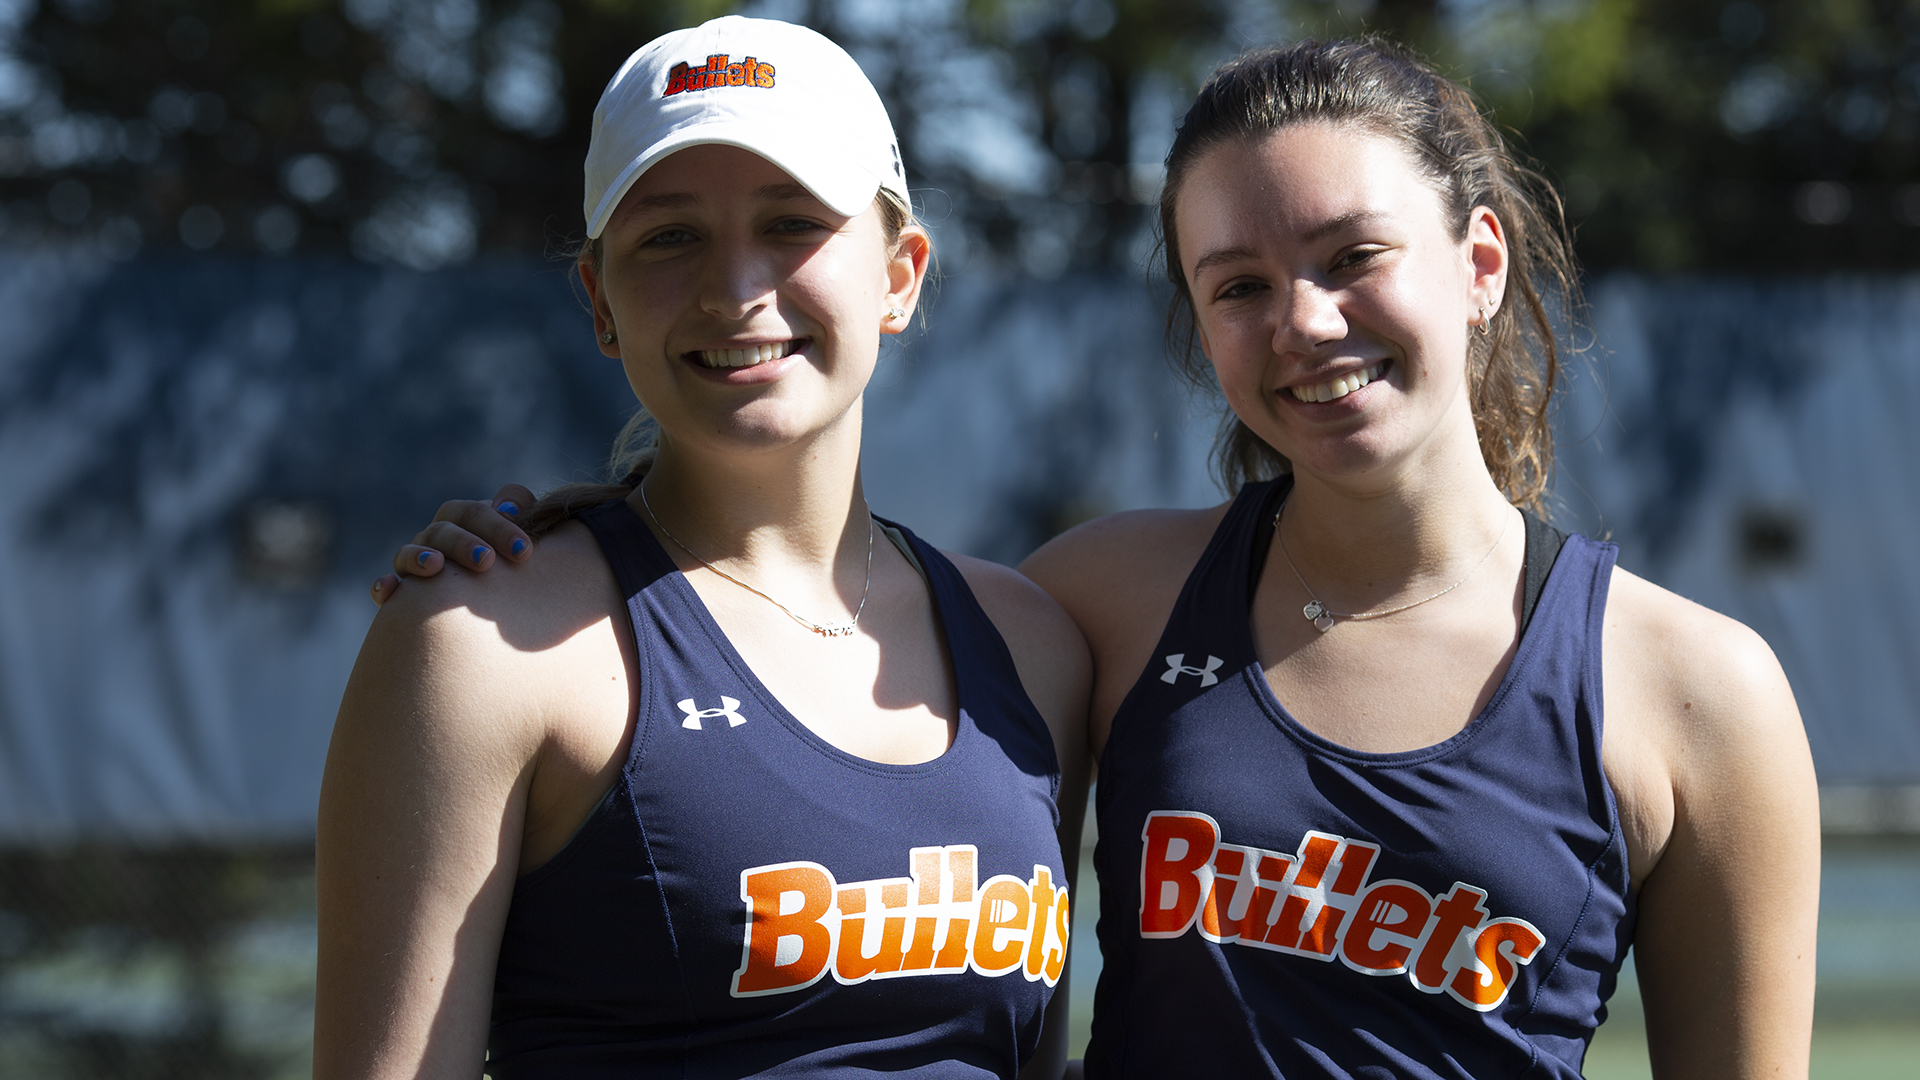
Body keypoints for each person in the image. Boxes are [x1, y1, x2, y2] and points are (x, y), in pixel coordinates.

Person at [386, 37, 1819, 1080]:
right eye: (1240, 286)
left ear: (1481, 263)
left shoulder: (1698, 693)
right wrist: (585, 533)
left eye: (1351, 257)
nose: (1307, 322)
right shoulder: (1098, 609)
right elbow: (774, 603)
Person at [317, 16, 1089, 1080]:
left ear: (900, 275)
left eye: (792, 223)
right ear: (599, 300)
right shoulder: (482, 642)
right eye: (670, 237)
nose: (737, 289)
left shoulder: (1035, 646)